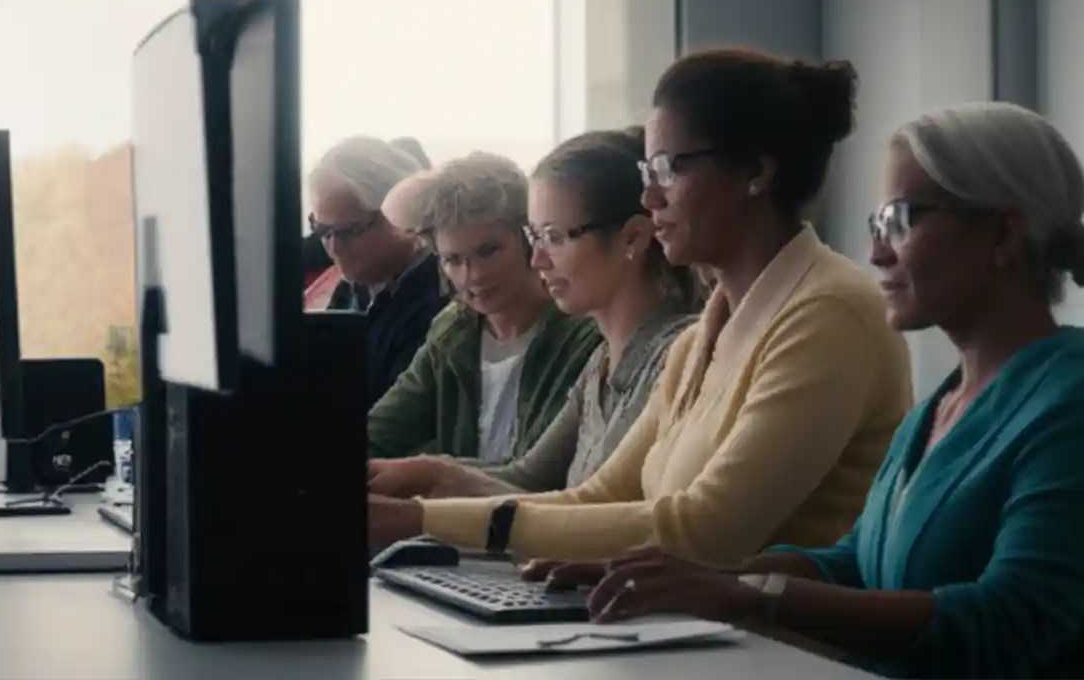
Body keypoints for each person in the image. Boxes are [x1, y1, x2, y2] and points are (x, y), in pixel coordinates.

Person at [549, 103, 1084, 679]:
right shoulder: (944, 403)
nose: (878, 253)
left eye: (901, 221)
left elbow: (1014, 621)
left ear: (1003, 232)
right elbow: (856, 564)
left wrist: (751, 598)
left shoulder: (1068, 401)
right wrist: (681, 578)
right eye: (877, 227)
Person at [369, 48, 913, 566]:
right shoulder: (703, 337)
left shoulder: (828, 313)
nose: (651, 200)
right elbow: (599, 498)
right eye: (646, 175)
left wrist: (424, 522)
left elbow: (705, 530)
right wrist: (423, 510)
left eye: (669, 169)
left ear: (755, 172)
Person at [368, 128, 703, 497]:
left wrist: (422, 504)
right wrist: (426, 473)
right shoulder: (603, 363)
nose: (539, 259)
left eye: (555, 238)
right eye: (537, 238)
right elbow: (529, 478)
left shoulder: (667, 354)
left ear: (633, 238)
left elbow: (594, 508)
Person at [369, 151, 601, 461]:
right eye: (453, 260)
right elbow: (384, 431)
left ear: (527, 238)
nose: (473, 275)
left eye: (489, 251)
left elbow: (541, 472)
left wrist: (431, 472)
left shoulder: (581, 330)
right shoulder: (453, 328)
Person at [308, 136, 447, 408]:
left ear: (398, 218)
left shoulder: (436, 304)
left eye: (349, 232)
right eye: (322, 230)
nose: (334, 247)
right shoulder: (355, 283)